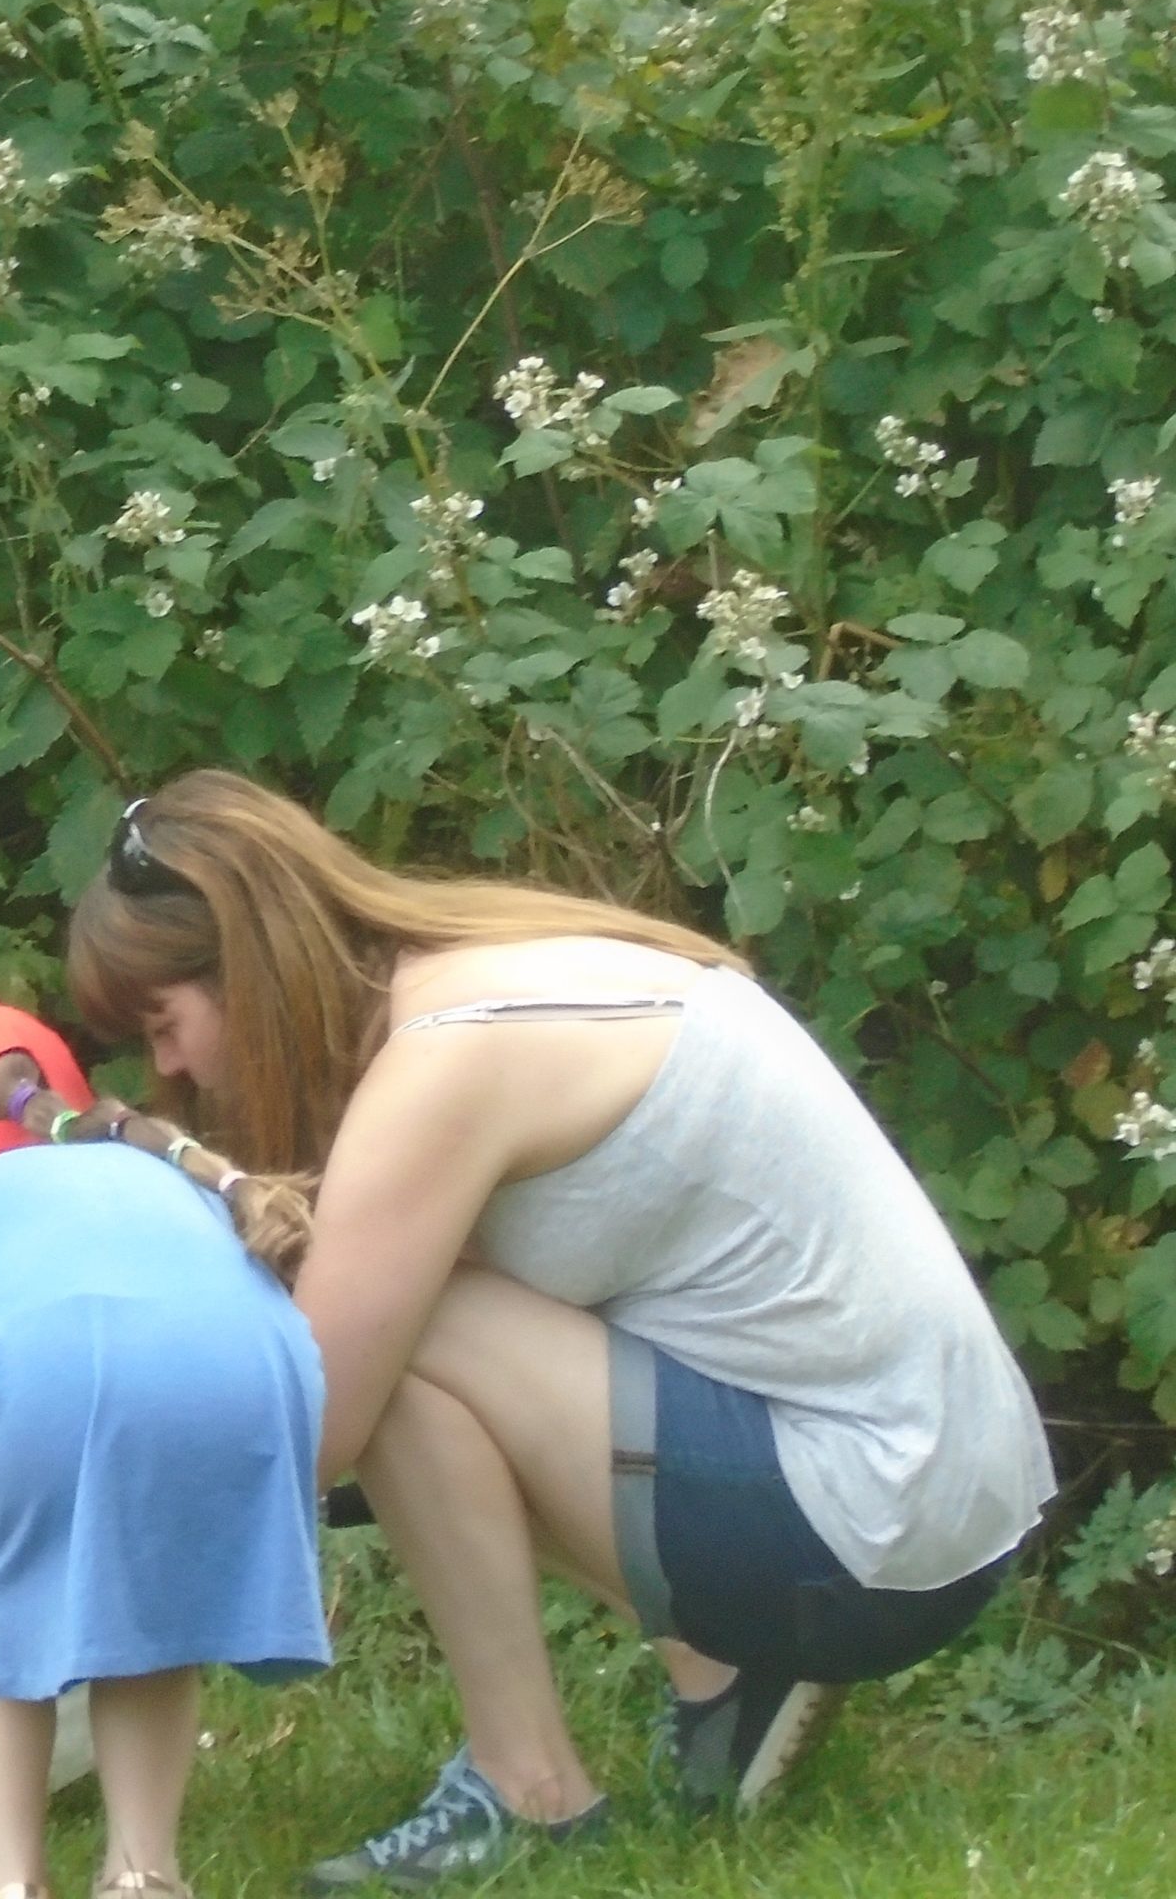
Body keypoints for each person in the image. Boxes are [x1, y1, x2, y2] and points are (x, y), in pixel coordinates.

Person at [64, 770, 1056, 1888]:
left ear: (243, 966)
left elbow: (314, 1428)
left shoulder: (444, 1063)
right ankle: (722, 1663)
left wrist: (69, 1504)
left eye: (165, 1023)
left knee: (392, 1333)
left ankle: (525, 1786)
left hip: (871, 1532)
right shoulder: (499, 963)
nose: (169, 1070)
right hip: (939, 1497)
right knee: (390, 1299)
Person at [0, 1000, 329, 1899]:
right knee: (149, 1602)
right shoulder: (170, 1176)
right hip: (262, 1377)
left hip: (63, 1370)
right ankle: (144, 1871)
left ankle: (10, 1881)